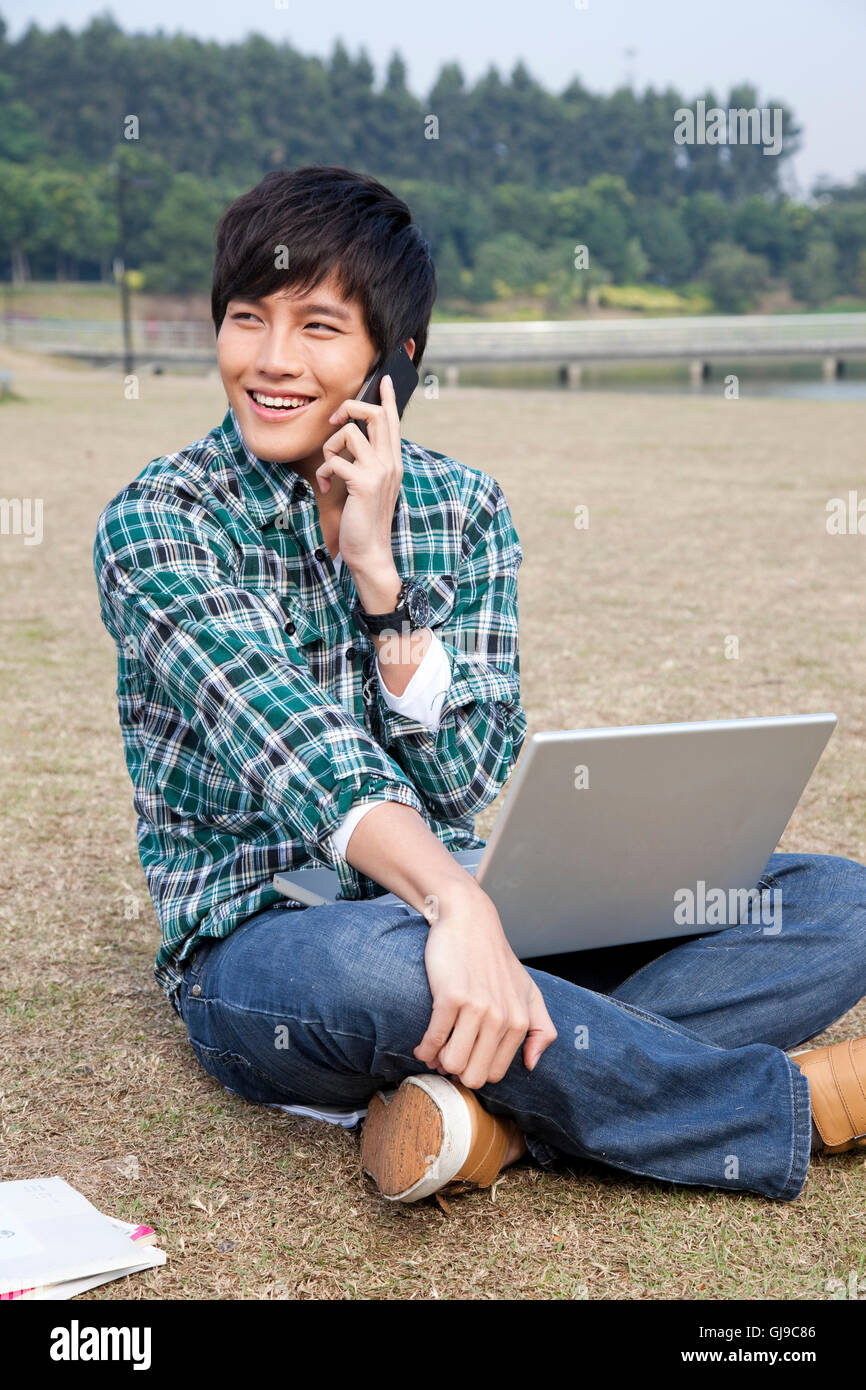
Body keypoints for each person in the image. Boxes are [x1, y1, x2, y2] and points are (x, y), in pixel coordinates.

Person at [93, 165, 866, 1207]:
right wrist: (453, 902)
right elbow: (292, 747)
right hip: (268, 948)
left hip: (465, 905)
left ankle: (491, 1123)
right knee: (386, 969)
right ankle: (777, 1106)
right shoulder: (158, 521)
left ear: (390, 363)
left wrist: (379, 583)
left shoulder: (460, 506)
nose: (269, 362)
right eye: (245, 320)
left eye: (317, 328)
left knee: (837, 903)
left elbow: (462, 786)